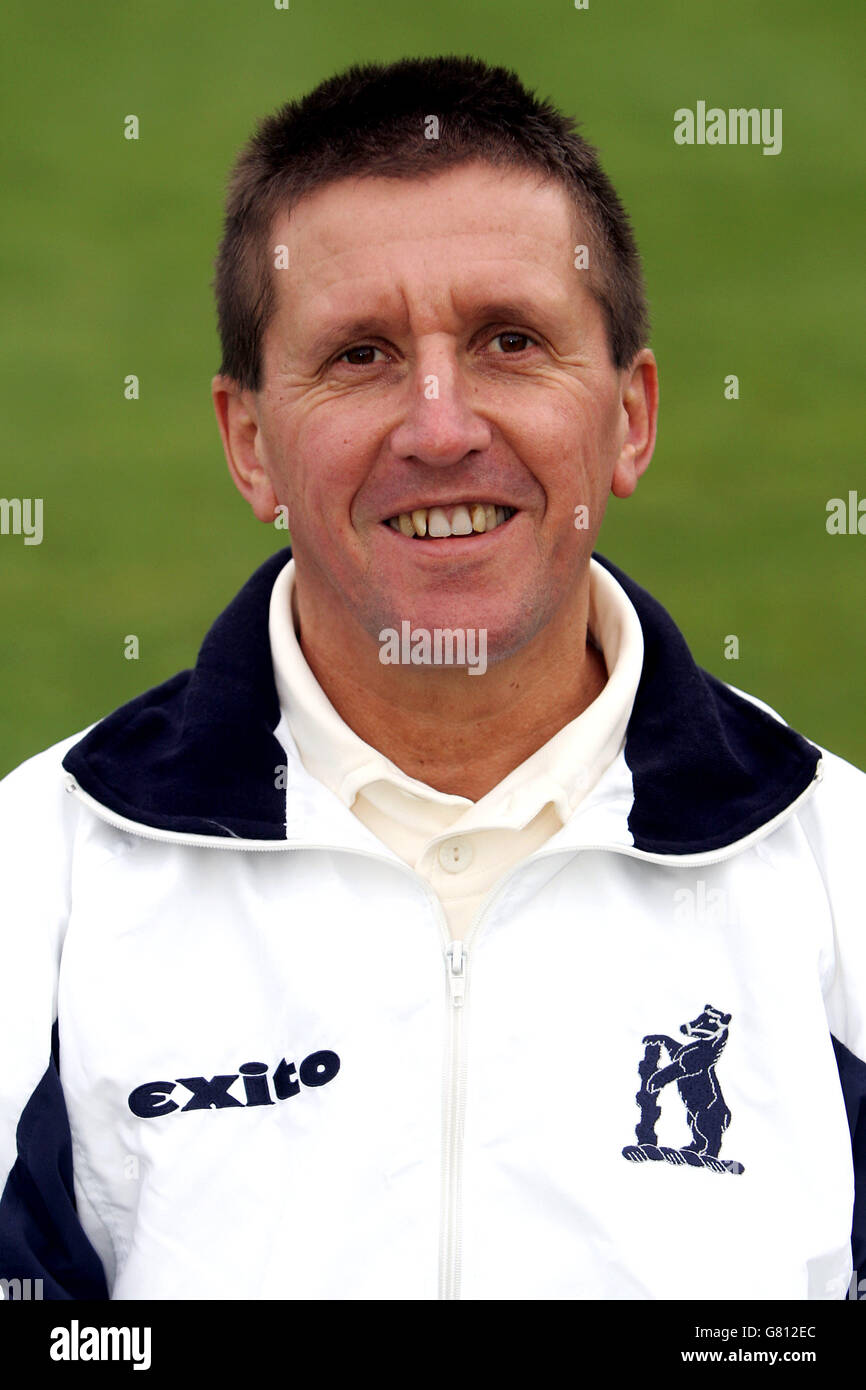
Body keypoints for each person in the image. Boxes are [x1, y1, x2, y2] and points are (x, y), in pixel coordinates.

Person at [1, 55, 863, 1303]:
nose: (441, 426)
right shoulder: (39, 886)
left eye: (510, 341)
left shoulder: (835, 876)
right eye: (359, 355)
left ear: (629, 415)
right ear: (251, 444)